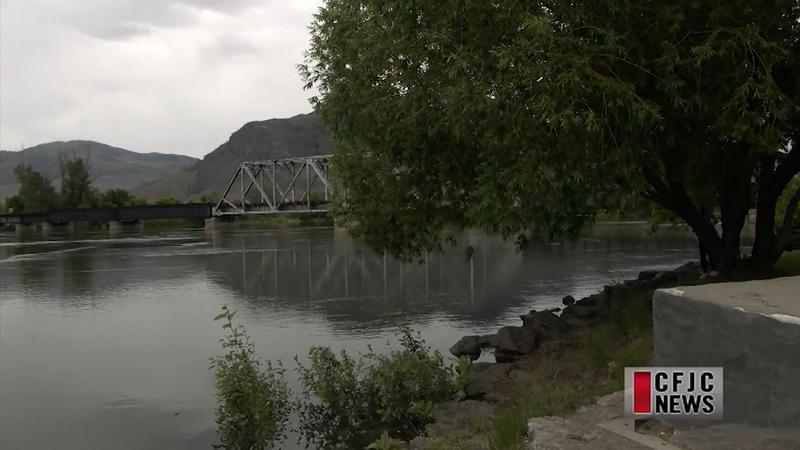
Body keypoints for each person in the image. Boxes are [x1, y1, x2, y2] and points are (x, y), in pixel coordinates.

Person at [698, 206, 717, 273]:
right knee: (703, 255)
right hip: (701, 237)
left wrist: (709, 225)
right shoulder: (697, 215)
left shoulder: (708, 213)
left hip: (708, 236)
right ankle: (705, 271)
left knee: (710, 254)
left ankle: (713, 269)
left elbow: (716, 221)